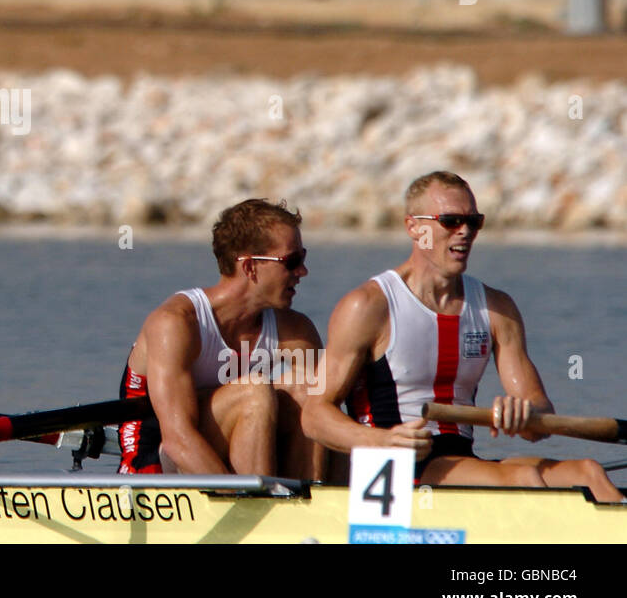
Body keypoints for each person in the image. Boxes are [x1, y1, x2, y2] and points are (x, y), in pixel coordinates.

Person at [303, 170, 622, 501]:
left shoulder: (497, 308)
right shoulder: (368, 305)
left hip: (461, 461)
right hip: (397, 465)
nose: (465, 231)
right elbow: (314, 415)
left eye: (474, 221)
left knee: (588, 472)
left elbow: (539, 416)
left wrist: (526, 414)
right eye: (451, 221)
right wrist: (382, 441)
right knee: (522, 478)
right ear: (414, 227)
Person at [118, 199, 325, 479]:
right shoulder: (176, 323)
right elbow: (178, 442)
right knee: (254, 393)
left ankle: (310, 504)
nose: (303, 272)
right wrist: (242, 497)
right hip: (158, 455)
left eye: (303, 257)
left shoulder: (296, 330)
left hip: (223, 449)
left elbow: (328, 411)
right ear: (250, 267)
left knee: (308, 391)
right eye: (292, 261)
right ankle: (260, 509)